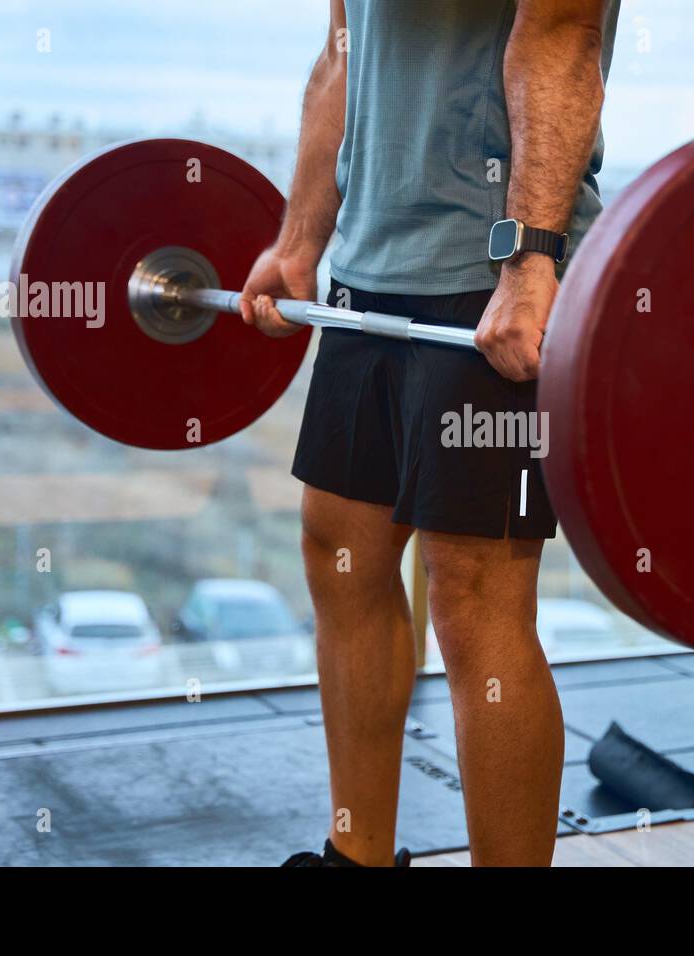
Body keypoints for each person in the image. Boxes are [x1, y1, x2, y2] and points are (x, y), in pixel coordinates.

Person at [241, 0, 619, 867]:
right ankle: (358, 857)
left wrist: (530, 263)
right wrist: (302, 237)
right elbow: (343, 48)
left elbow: (563, 33)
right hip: (369, 270)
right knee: (340, 554)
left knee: (473, 596)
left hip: (487, 276)